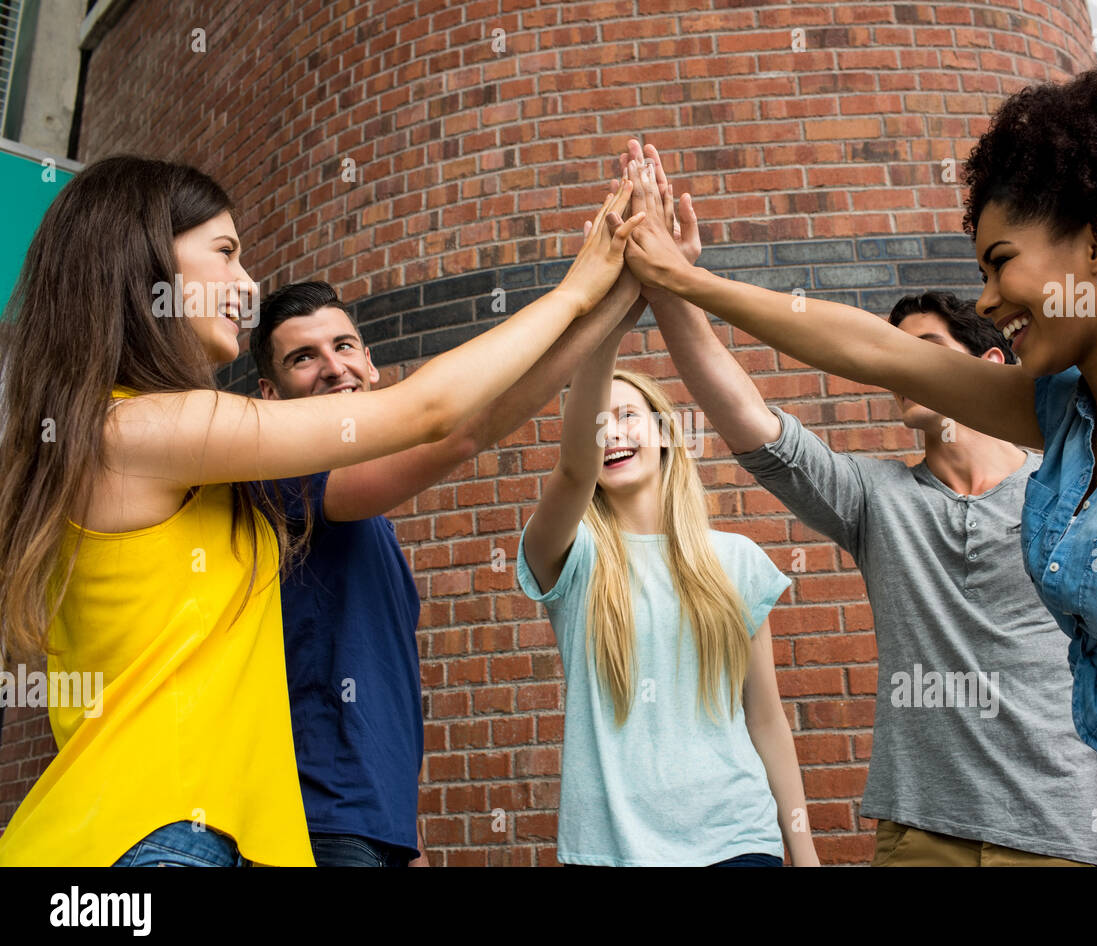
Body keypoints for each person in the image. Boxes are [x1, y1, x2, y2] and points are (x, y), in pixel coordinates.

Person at [616, 64, 1097, 866]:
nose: (985, 300)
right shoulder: (1069, 418)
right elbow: (871, 350)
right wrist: (680, 281)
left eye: (1000, 261)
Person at [0, 156, 642, 866]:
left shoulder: (177, 452)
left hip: (196, 840)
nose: (247, 288)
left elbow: (468, 426)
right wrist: (576, 289)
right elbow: (433, 414)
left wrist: (621, 295)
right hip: (148, 839)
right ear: (144, 260)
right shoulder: (137, 430)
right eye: (226, 253)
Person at [248, 271, 649, 867]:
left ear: (371, 364)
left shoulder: (365, 514)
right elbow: (466, 432)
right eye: (303, 357)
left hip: (373, 828)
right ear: (270, 394)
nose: (333, 367)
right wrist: (601, 299)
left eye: (344, 346)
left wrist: (404, 838)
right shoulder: (280, 473)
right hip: (319, 827)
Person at [514, 242, 819, 865]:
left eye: (629, 416)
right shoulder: (569, 558)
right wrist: (612, 313)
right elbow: (573, 472)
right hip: (610, 851)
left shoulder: (735, 561)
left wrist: (803, 850)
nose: (613, 432)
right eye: (600, 419)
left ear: (664, 436)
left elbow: (765, 719)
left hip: (738, 841)